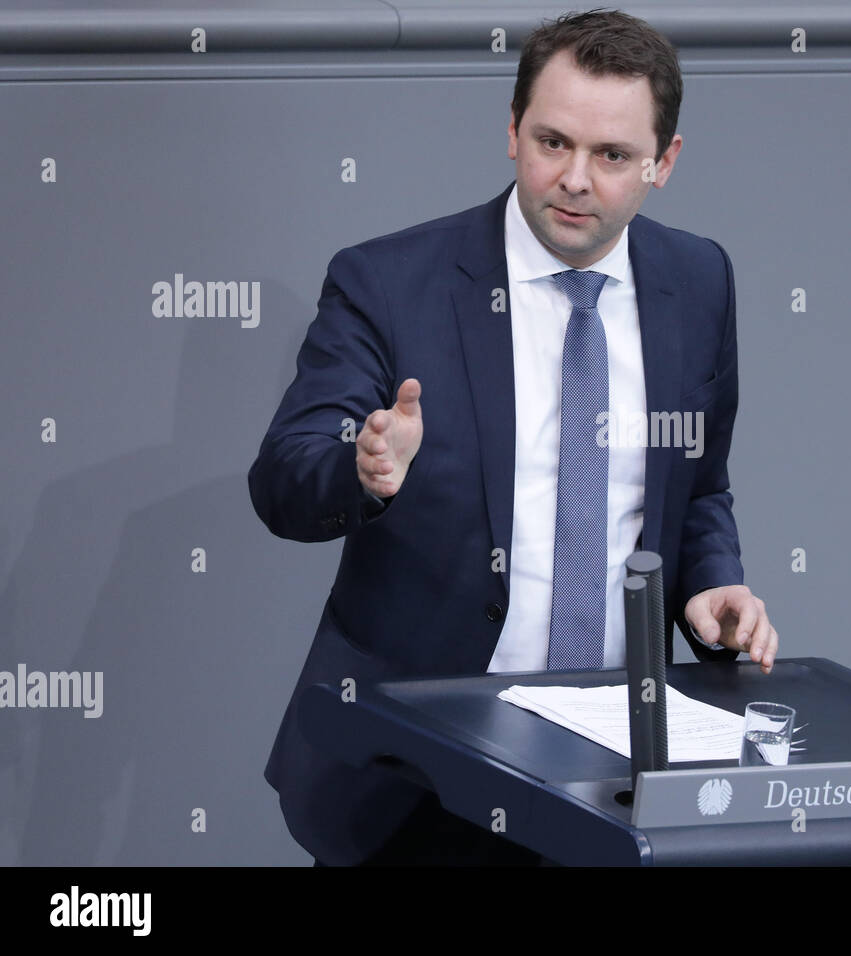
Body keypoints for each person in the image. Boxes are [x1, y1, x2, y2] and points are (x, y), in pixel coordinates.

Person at [248, 8, 778, 867]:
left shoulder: (699, 280)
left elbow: (699, 485)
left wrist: (711, 590)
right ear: (511, 132)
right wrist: (367, 470)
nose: (574, 178)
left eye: (611, 156)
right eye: (552, 142)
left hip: (614, 772)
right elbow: (283, 481)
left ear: (664, 162)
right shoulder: (387, 282)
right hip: (415, 775)